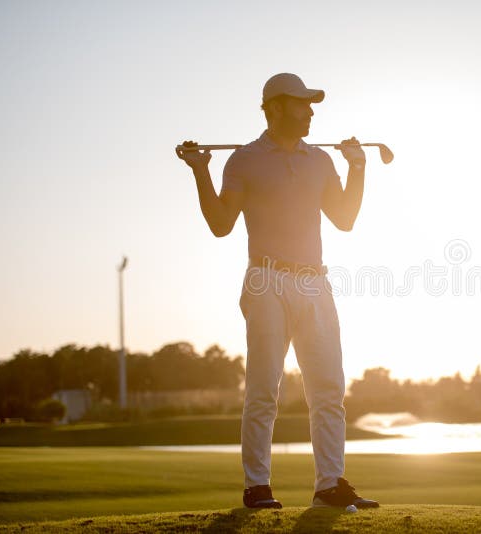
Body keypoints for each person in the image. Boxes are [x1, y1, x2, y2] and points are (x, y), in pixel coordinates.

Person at [176, 73, 379, 510]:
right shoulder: (243, 161)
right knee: (264, 389)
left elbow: (345, 218)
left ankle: (330, 486)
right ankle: (257, 487)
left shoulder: (320, 161)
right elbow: (220, 224)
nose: (310, 112)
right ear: (275, 107)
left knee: (329, 390)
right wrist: (200, 172)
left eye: (311, 105)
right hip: (266, 279)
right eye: (302, 104)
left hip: (315, 281)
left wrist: (357, 168)